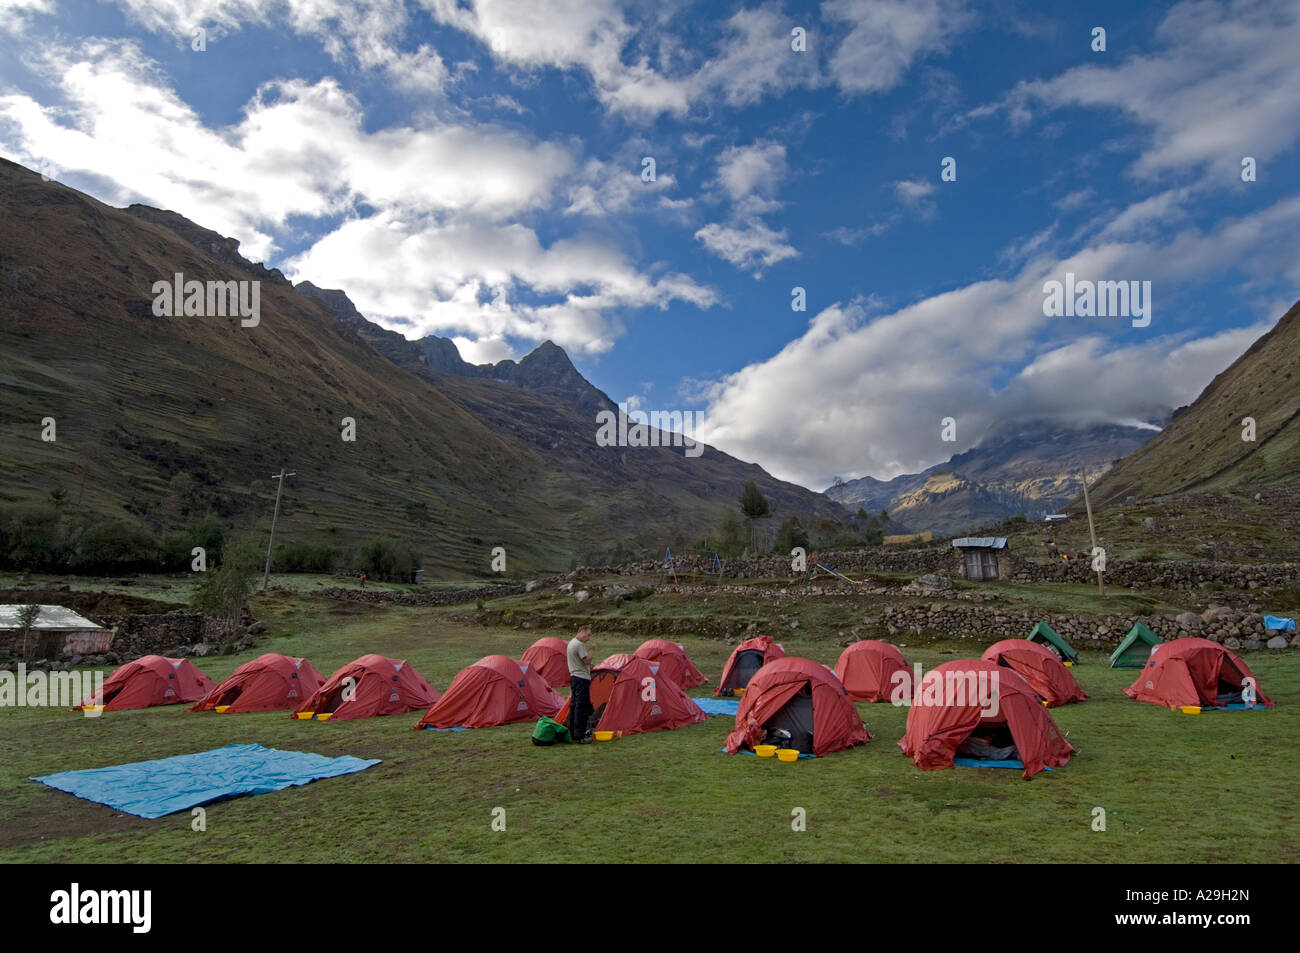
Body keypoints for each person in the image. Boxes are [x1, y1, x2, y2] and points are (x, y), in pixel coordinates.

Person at [566, 627, 594, 743]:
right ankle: (580, 735)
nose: (588, 637)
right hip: (581, 679)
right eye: (588, 635)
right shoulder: (579, 645)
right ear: (581, 632)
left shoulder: (571, 643)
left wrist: (589, 667)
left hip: (574, 677)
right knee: (581, 707)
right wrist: (592, 649)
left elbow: (581, 662)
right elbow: (586, 660)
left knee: (574, 705)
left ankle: (573, 732)